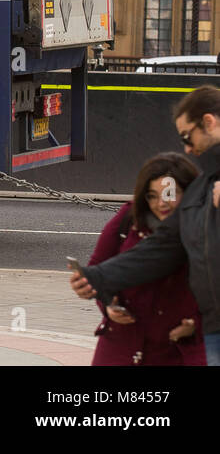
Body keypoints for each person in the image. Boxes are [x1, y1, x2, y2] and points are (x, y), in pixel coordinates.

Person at [71, 85, 220, 365]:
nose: (188, 148)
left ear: (209, 122)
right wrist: (97, 279)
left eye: (188, 136)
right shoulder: (202, 189)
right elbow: (160, 249)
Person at [86, 152, 203, 365]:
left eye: (169, 194)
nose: (161, 204)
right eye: (152, 196)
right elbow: (97, 269)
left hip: (177, 351)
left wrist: (196, 324)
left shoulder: (206, 228)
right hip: (121, 350)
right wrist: (109, 306)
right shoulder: (128, 219)